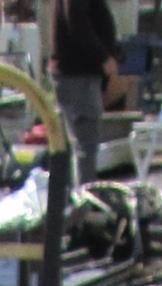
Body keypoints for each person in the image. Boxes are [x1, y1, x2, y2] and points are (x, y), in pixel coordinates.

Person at [52, 0, 119, 186]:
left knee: (75, 147)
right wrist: (103, 57)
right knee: (85, 147)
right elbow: (77, 21)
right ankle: (84, 205)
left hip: (77, 75)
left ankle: (70, 202)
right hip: (79, 76)